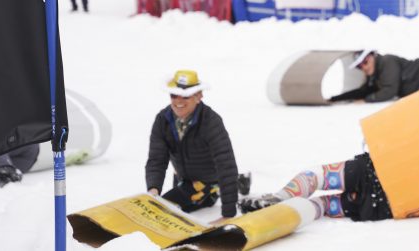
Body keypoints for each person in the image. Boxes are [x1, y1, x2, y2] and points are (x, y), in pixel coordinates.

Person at [146, 70, 245, 222]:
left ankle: (219, 189)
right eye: (174, 95)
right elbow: (156, 160)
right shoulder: (162, 120)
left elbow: (226, 165)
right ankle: (240, 181)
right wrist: (153, 190)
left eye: (185, 96)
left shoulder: (211, 122)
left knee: (168, 207)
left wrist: (228, 214)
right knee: (158, 206)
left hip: (208, 181)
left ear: (198, 96)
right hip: (183, 178)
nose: (179, 101)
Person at [240, 153, 391, 222]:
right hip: (380, 205)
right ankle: (285, 212)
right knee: (324, 205)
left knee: (317, 177)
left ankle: (280, 198)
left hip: (375, 168)